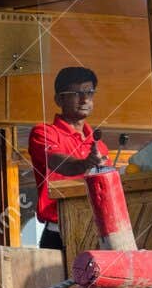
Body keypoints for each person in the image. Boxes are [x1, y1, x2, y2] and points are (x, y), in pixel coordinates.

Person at [27, 66, 111, 251]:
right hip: (58, 234)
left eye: (89, 92)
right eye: (76, 93)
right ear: (59, 99)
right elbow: (58, 163)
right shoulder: (43, 132)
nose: (85, 99)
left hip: (96, 231)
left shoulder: (100, 146)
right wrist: (85, 164)